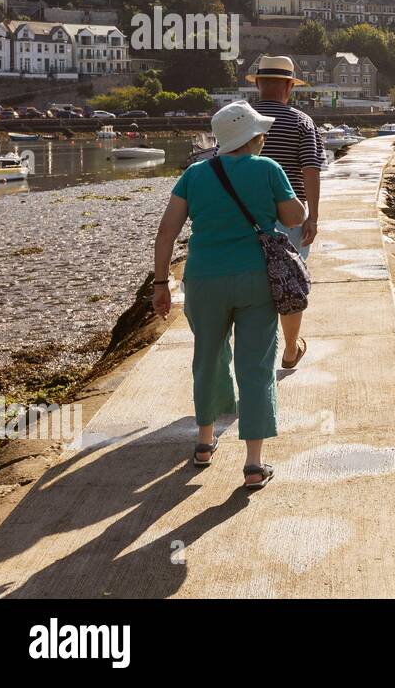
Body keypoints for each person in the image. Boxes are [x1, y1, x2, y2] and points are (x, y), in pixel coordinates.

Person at [153, 100, 306, 489]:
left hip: (203, 279)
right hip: (255, 278)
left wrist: (160, 284)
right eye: (261, 131)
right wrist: (300, 204)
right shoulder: (268, 169)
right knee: (255, 365)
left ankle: (204, 442)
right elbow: (293, 218)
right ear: (253, 137)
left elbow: (166, 230)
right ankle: (254, 464)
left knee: (207, 356)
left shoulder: (194, 174)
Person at [244, 55, 325, 370]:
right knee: (289, 280)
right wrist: (313, 216)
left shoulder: (241, 120)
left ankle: (255, 349)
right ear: (290, 86)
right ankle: (290, 349)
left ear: (259, 84)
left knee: (252, 283)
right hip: (289, 215)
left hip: (245, 215)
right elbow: (311, 171)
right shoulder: (301, 121)